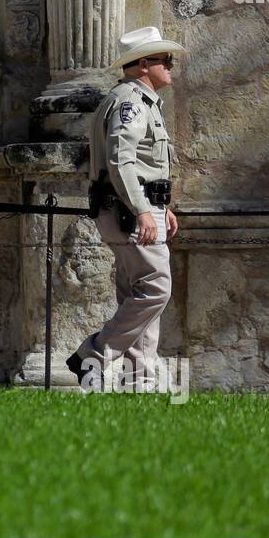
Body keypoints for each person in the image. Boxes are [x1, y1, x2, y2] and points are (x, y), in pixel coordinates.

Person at [67, 26, 185, 392]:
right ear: (144, 65)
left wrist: (160, 206)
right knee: (156, 288)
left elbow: (143, 164)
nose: (171, 67)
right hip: (128, 211)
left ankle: (140, 380)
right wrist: (142, 209)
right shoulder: (131, 102)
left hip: (137, 207)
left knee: (137, 293)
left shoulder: (138, 100)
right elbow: (122, 160)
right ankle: (95, 353)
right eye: (166, 61)